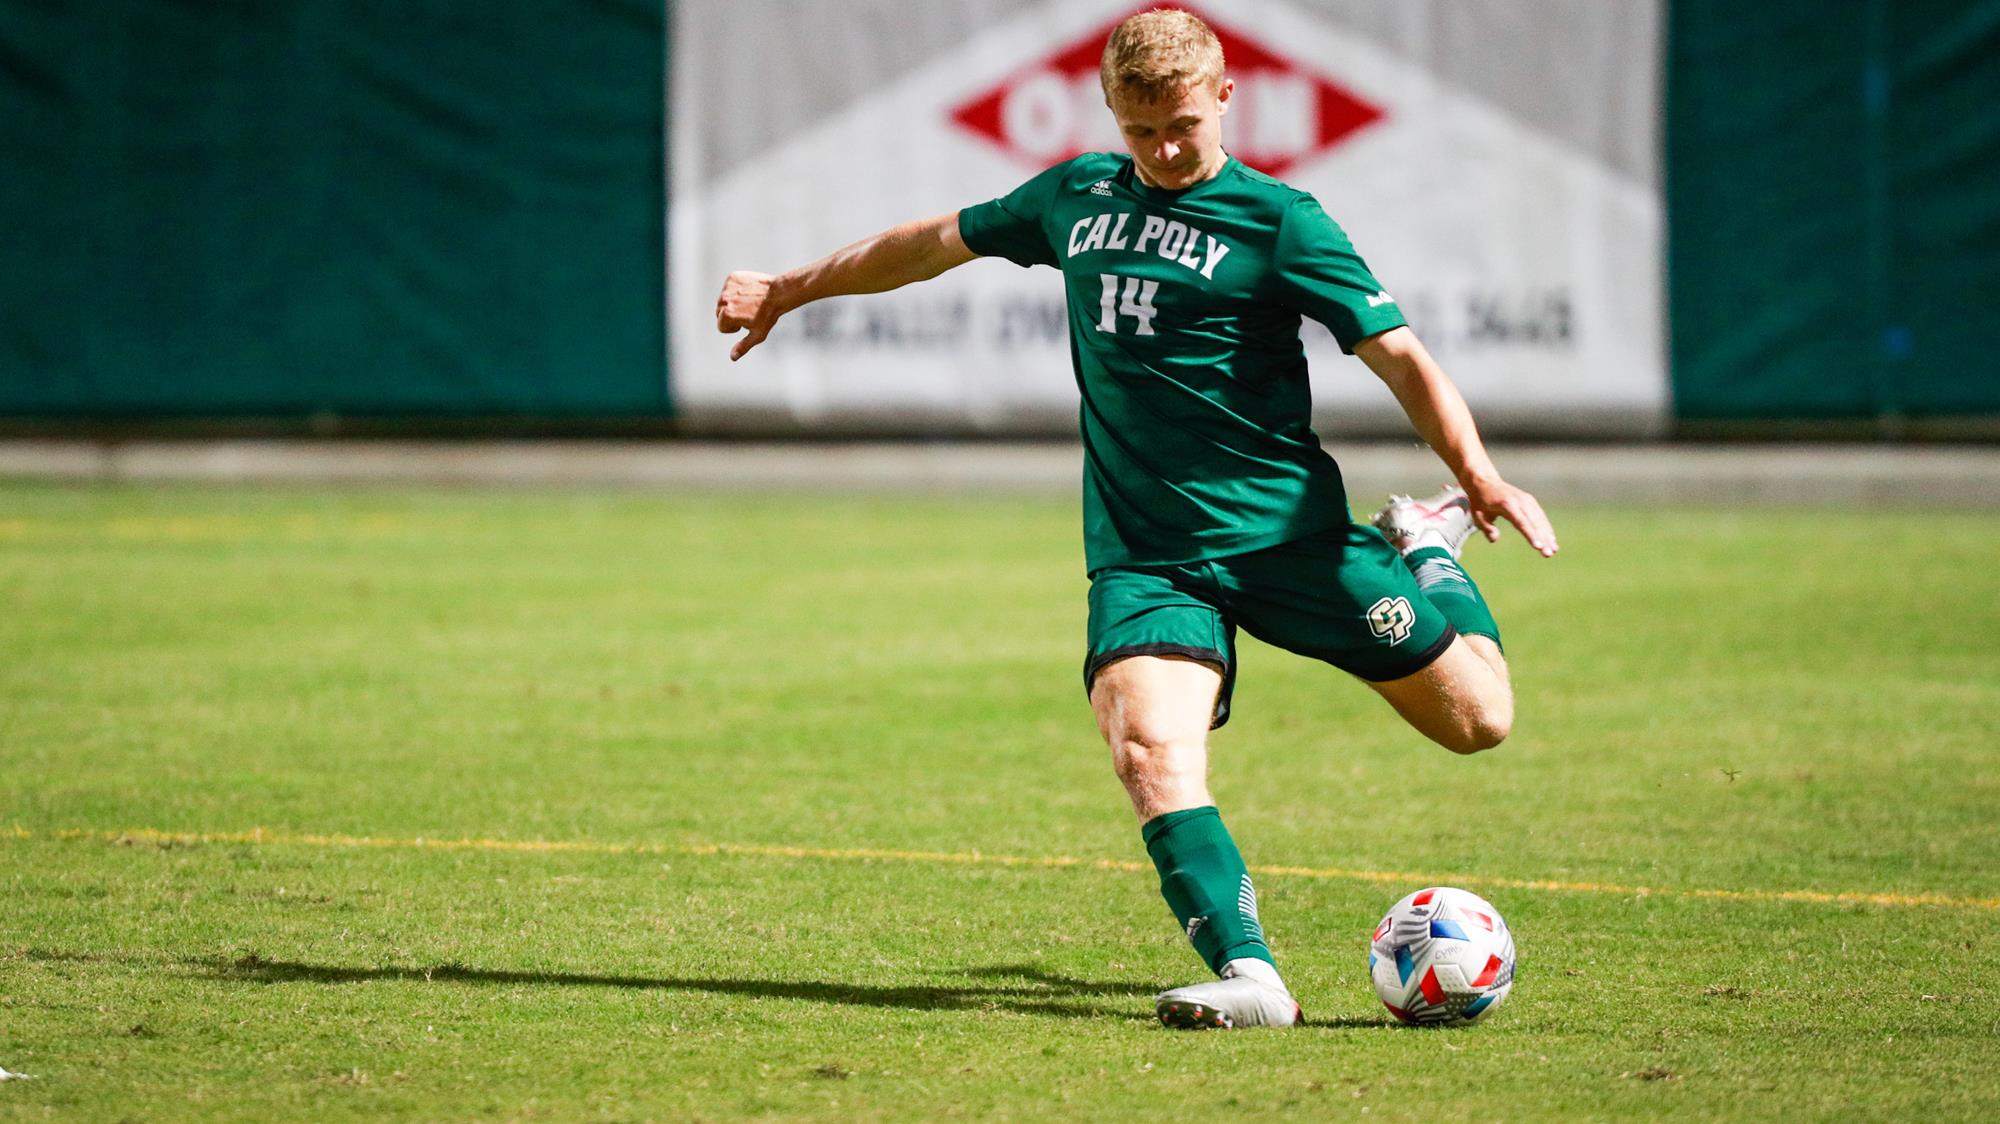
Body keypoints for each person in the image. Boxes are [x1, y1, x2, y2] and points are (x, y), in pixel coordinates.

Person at [716, 8, 1558, 1029]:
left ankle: (1423, 550)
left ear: (1224, 102)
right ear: (1112, 112)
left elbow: (1398, 355)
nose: (1162, 151)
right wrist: (788, 288)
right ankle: (1250, 975)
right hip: (1149, 555)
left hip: (1288, 539)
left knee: (1480, 722)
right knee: (1146, 748)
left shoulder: (1281, 222)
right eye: (1140, 131)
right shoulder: (1072, 196)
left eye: (1182, 128)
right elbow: (930, 246)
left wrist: (1475, 472)